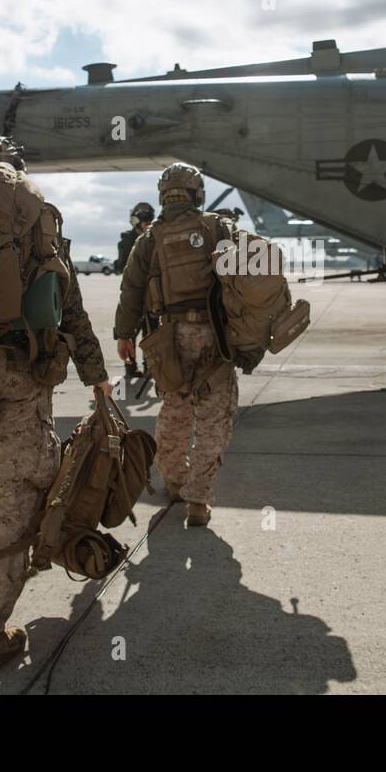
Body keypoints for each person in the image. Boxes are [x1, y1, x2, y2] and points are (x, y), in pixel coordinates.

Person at [0, 131, 111, 672]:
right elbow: (67, 307)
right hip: (17, 374)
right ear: (15, 170)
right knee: (9, 495)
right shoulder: (36, 216)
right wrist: (97, 377)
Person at [112, 163, 237, 528]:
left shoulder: (149, 238)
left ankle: (175, 482)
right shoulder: (218, 227)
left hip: (167, 338)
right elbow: (248, 279)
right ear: (197, 193)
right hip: (216, 335)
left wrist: (124, 335)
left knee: (173, 410)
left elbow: (131, 290)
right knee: (214, 416)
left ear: (162, 195)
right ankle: (199, 500)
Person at [114, 201, 155, 273]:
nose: (148, 224)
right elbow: (122, 267)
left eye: (150, 221)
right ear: (136, 221)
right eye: (145, 221)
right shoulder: (127, 242)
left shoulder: (154, 238)